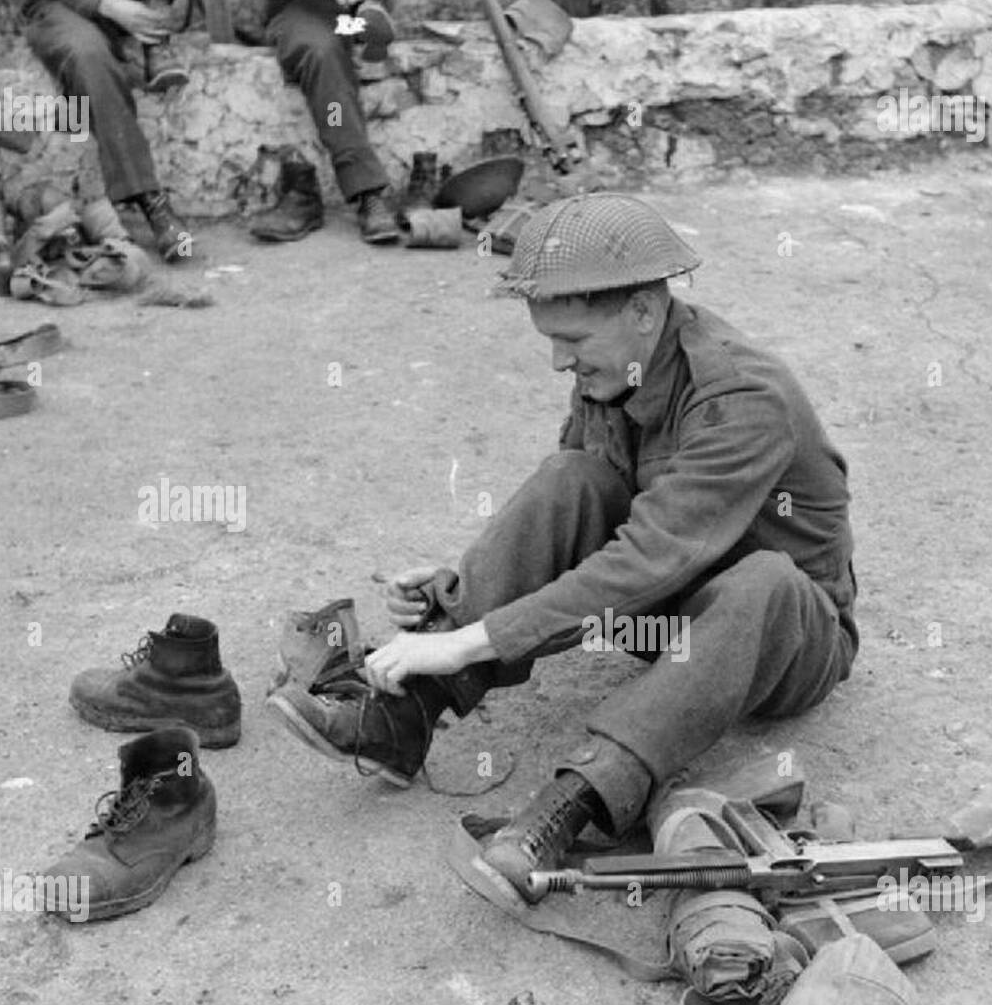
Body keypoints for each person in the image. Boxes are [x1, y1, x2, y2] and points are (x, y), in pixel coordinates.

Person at [266, 193, 859, 899]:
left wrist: (472, 640)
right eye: (551, 340)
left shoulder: (740, 397)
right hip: (668, 612)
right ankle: (406, 714)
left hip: (783, 640)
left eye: (572, 343)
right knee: (569, 476)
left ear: (643, 310)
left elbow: (647, 559)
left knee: (763, 578)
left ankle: (575, 801)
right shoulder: (617, 371)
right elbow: (580, 513)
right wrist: (461, 591)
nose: (556, 362)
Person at [14, 0, 191, 261]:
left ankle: (156, 47)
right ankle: (150, 198)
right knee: (89, 53)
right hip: (55, 6)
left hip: (122, 5)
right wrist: (105, 4)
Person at [253, 0, 399, 243]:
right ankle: (366, 190)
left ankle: (367, 17)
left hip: (355, 6)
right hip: (301, 8)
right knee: (324, 60)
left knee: (357, 24)